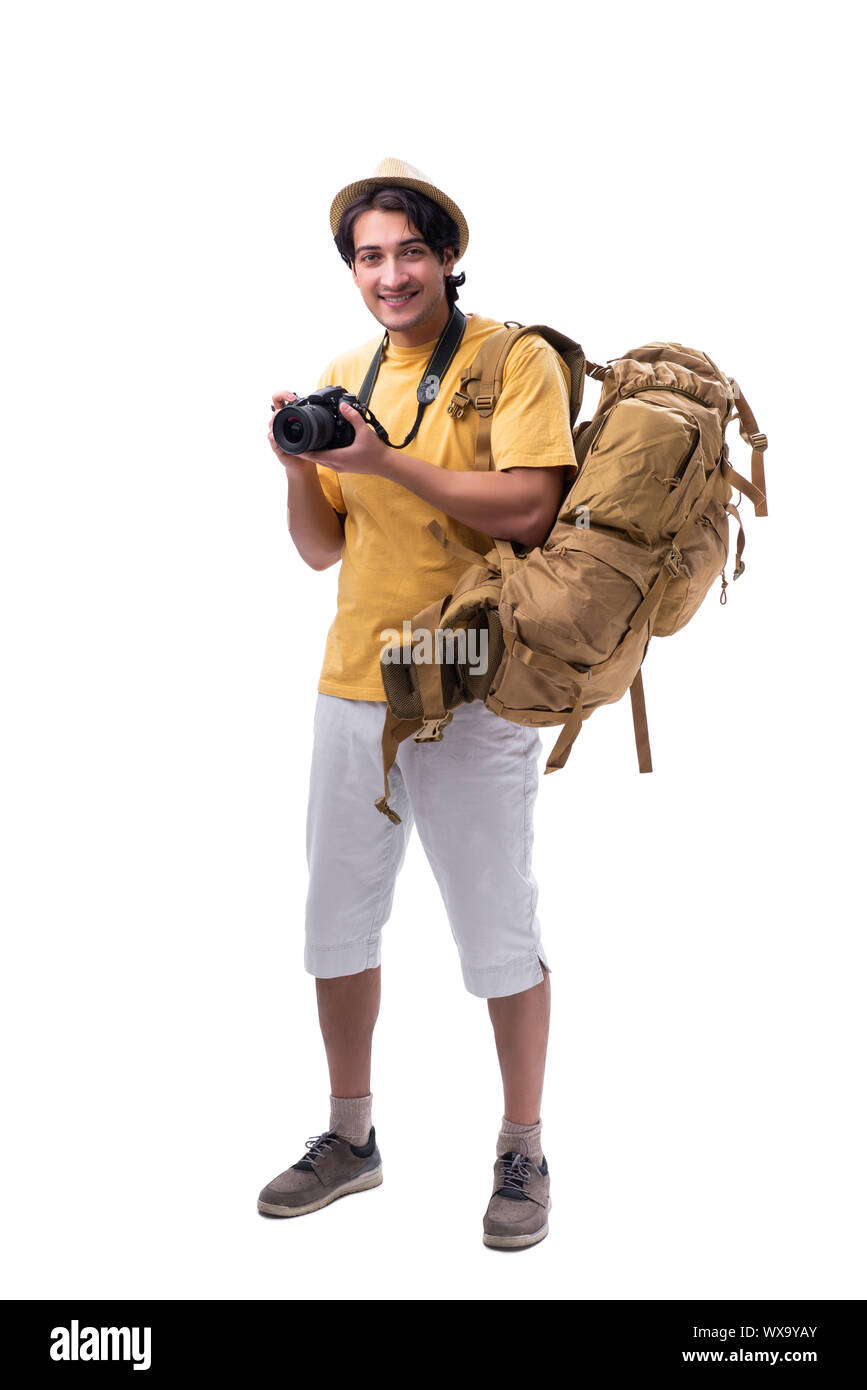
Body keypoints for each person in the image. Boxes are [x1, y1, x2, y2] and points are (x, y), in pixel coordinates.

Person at [258, 158, 578, 1248]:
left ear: (446, 255)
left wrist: (388, 462)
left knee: (497, 929)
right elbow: (318, 552)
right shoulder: (345, 374)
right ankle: (353, 1139)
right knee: (334, 925)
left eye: (408, 251)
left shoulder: (511, 358)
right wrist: (303, 465)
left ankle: (523, 1147)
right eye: (368, 256)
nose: (389, 273)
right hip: (357, 679)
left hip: (473, 675)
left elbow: (533, 507)